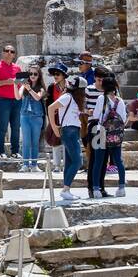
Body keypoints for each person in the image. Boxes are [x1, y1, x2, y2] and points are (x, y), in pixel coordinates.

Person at [49, 75, 87, 203]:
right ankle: (65, 189)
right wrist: (54, 127)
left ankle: (67, 190)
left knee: (70, 162)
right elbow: (51, 108)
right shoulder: (67, 97)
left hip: (73, 131)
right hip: (69, 131)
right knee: (77, 161)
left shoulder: (72, 99)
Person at [90, 75, 128, 198]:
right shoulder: (120, 101)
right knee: (118, 161)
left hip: (101, 132)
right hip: (116, 134)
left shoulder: (102, 98)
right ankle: (121, 187)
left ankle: (96, 189)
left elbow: (96, 115)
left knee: (98, 161)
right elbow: (124, 118)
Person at [0, 44, 21, 159]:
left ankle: (15, 152)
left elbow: (20, 84)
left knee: (16, 127)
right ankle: (0, 152)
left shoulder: (17, 68)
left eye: (12, 51)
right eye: (6, 51)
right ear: (2, 53)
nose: (9, 53)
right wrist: (5, 82)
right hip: (3, 101)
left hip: (17, 100)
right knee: (3, 126)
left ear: (14, 55)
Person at [17, 63, 47, 171]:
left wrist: (29, 89)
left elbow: (38, 97)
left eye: (35, 74)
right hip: (25, 116)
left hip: (37, 117)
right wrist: (15, 85)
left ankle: (34, 165)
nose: (33, 76)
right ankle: (25, 164)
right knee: (26, 141)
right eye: (30, 73)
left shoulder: (41, 88)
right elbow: (17, 97)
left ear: (39, 76)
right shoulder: (24, 86)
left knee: (35, 141)